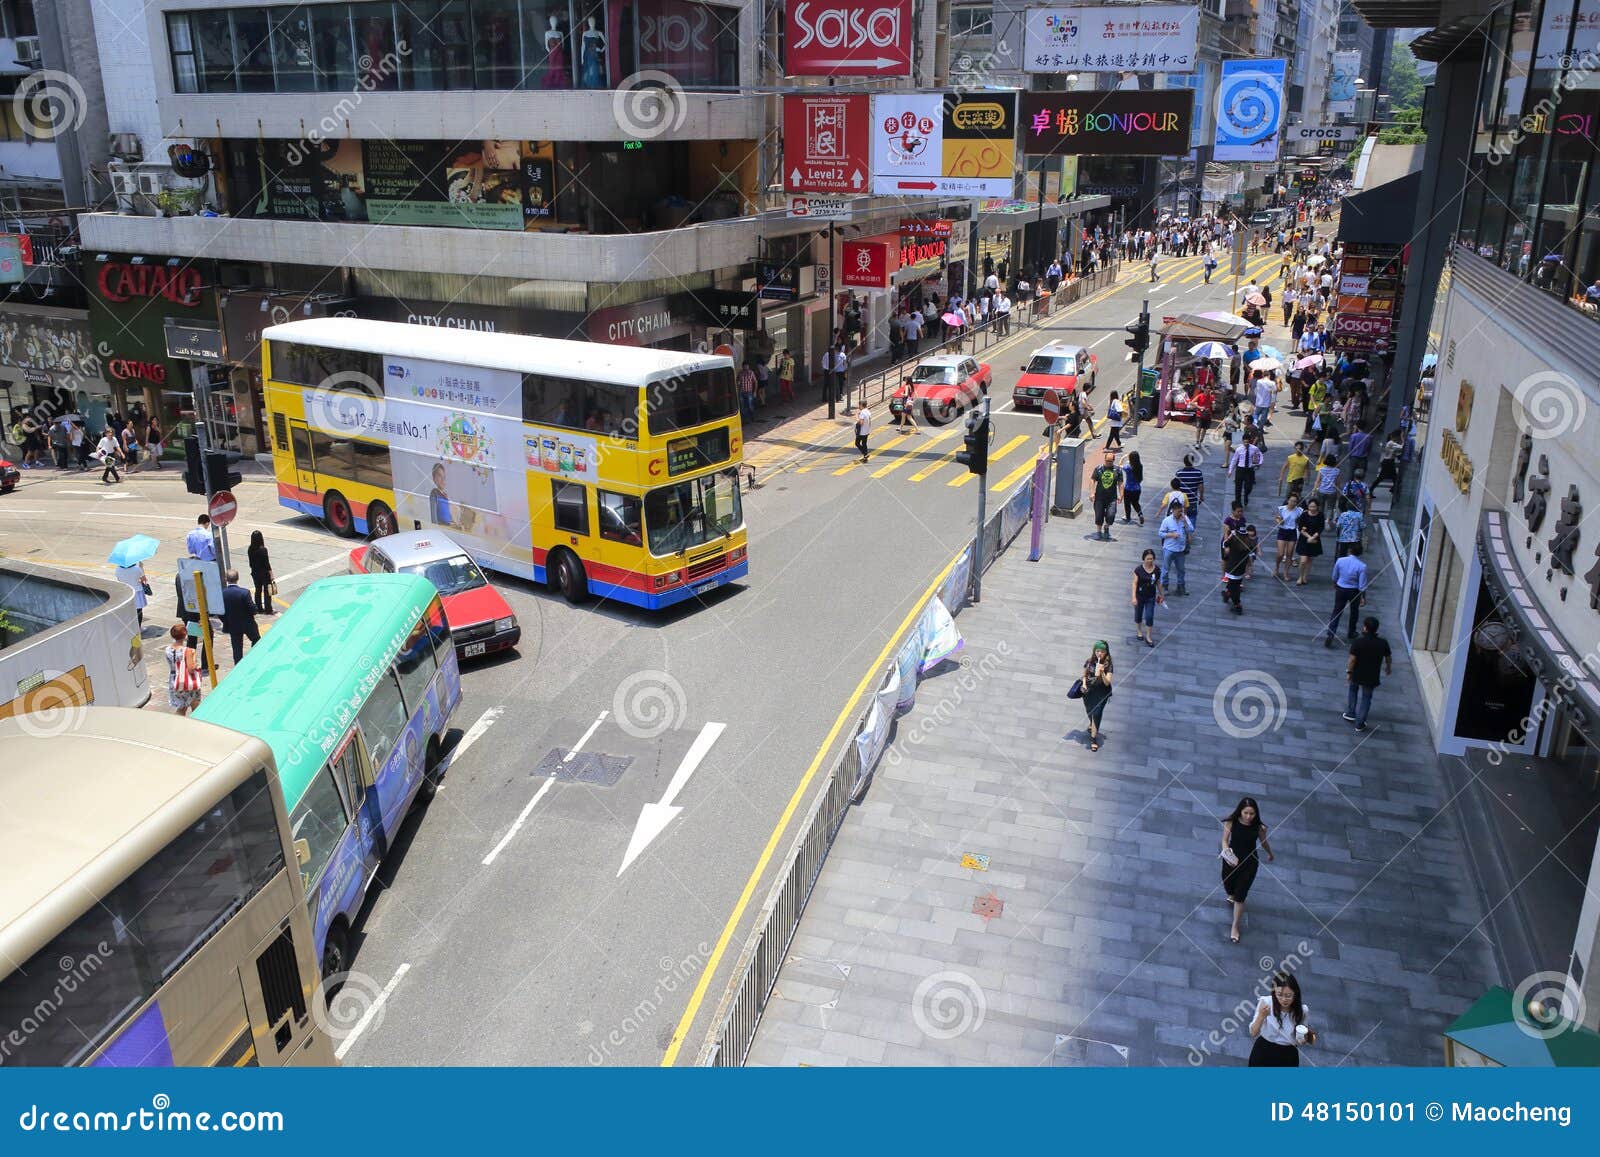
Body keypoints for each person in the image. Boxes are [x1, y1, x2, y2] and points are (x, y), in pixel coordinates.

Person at [1221, 797, 1274, 944]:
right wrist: (1228, 855)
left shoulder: (1258, 828)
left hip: (1249, 863)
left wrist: (1270, 853)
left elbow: (1263, 842)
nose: (1249, 816)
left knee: (1240, 895)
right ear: (1240, 811)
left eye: (1252, 814)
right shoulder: (1231, 821)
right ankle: (1231, 894)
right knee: (1228, 885)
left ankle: (1235, 926)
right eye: (1246, 813)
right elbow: (1224, 841)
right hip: (1231, 861)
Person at [1248, 972, 1313, 1065]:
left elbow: (1301, 1037)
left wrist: (1303, 1039)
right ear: (1274, 992)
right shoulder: (1266, 1002)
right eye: (1279, 994)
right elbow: (1253, 1033)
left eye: (1288, 995)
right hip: (1264, 1050)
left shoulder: (1303, 1010)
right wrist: (1261, 1016)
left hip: (1288, 1054)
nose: (1283, 999)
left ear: (1295, 994)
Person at [1345, 617, 1393, 732]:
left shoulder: (1358, 642)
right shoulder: (1383, 643)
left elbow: (1352, 659)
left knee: (1353, 690)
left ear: (1365, 628)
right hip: (1372, 676)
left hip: (1357, 674)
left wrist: (1349, 672)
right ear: (1376, 629)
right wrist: (1388, 668)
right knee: (1366, 698)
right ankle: (1360, 723)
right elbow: (1388, 657)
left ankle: (1351, 713)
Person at [1325, 542, 1368, 646]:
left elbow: (1334, 576)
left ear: (1350, 550)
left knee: (1337, 611)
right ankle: (1351, 632)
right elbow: (1362, 585)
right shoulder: (1362, 566)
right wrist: (1363, 597)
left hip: (1341, 589)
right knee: (1354, 612)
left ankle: (1331, 633)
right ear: (1360, 553)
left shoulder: (1340, 561)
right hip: (1354, 591)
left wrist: (1335, 584)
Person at [1077, 640, 1113, 752]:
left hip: (1102, 693)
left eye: (1102, 651)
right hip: (1089, 692)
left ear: (1106, 652)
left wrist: (1102, 672)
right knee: (1089, 711)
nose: (1100, 653)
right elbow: (1084, 675)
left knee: (1096, 714)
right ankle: (1092, 724)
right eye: (1098, 651)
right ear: (1094, 651)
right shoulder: (1089, 662)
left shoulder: (1109, 665)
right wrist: (1083, 685)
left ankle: (1093, 739)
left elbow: (1107, 682)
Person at [220, 569, 260, 665]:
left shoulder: (222, 593)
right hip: (247, 623)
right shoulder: (244, 592)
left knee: (237, 648)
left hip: (232, 625)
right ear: (237, 578)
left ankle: (238, 666)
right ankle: (254, 658)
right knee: (256, 639)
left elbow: (220, 612)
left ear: (226, 579)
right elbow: (252, 609)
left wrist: (226, 621)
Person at [164, 621, 204, 716]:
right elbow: (191, 668)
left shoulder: (168, 649)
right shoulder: (187, 651)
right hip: (187, 681)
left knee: (181, 707)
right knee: (195, 705)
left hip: (175, 680)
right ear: (185, 634)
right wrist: (195, 661)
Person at [1158, 498, 1193, 595]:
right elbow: (1160, 533)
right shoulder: (1167, 521)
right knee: (1165, 569)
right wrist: (1171, 535)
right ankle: (1164, 587)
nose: (1180, 513)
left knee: (1181, 570)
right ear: (1173, 510)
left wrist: (1185, 522)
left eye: (1181, 511)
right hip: (1169, 549)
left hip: (1180, 550)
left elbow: (1191, 530)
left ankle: (1181, 587)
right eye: (1178, 511)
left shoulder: (1184, 518)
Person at [1131, 549, 1163, 648]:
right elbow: (1135, 583)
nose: (1150, 560)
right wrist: (1133, 597)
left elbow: (1158, 582)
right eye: (1148, 559)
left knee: (1149, 616)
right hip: (1140, 596)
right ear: (1143, 559)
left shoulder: (1157, 570)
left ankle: (1148, 636)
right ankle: (1139, 631)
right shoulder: (1138, 570)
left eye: (1151, 559)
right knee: (1138, 615)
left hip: (1150, 596)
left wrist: (1162, 594)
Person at [1221, 521, 1255, 614]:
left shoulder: (1234, 539)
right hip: (1241, 569)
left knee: (1233, 587)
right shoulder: (1249, 541)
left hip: (1232, 567)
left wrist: (1230, 536)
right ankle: (1227, 595)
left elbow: (1225, 544)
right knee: (1236, 585)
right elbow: (1251, 554)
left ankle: (1237, 604)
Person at [1090, 450, 1121, 540]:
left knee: (1111, 515)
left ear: (1113, 461)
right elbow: (1092, 480)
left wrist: (1121, 495)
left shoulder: (1118, 470)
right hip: (1099, 497)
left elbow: (1120, 483)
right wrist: (1092, 493)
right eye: (1107, 461)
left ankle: (1107, 527)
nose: (1108, 463)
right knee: (1099, 515)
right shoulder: (1099, 468)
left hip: (1112, 498)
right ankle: (1099, 532)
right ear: (1104, 459)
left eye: (1110, 461)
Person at [1294, 497, 1325, 586]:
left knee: (1309, 560)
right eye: (1310, 506)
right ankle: (1300, 576)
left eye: (1314, 507)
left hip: (1315, 538)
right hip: (1304, 539)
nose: (1312, 508)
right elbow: (1300, 528)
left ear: (1317, 507)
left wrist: (1313, 537)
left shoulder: (1320, 515)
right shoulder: (1304, 515)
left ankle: (1305, 576)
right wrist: (1308, 537)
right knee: (1303, 560)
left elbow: (1321, 528)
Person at [1272, 493, 1303, 579]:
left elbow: (1302, 519)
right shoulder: (1282, 509)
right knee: (1280, 554)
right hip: (1282, 531)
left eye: (1295, 501)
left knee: (1289, 554)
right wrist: (1279, 521)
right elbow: (1277, 517)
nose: (1293, 503)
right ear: (1288, 500)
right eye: (1291, 501)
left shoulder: (1299, 510)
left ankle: (1286, 572)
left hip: (1292, 532)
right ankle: (1276, 567)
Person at [1228, 434, 1263, 508]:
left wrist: (1259, 463)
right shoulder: (1239, 449)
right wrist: (1230, 470)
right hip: (1240, 469)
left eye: (1247, 442)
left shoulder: (1254, 448)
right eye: (1245, 442)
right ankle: (1238, 503)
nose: (1246, 444)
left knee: (1249, 487)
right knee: (1238, 487)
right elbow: (1234, 460)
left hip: (1249, 470)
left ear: (1249, 441)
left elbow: (1260, 455)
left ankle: (1246, 495)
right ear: (1242, 441)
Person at [247, 529, 275, 614]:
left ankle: (259, 608)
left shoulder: (250, 549)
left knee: (258, 590)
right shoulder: (263, 550)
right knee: (267, 592)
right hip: (264, 573)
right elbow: (267, 564)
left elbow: (250, 563)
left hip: (255, 573)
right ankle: (268, 609)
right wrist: (271, 574)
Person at [115, 561, 150, 627]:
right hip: (137, 593)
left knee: (128, 612)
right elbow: (144, 580)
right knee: (138, 611)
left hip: (125, 592)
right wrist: (141, 568)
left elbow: (119, 579)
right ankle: (138, 628)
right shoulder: (137, 569)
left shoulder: (118, 569)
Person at [428, 462, 456, 527]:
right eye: (440, 476)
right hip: (441, 526)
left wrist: (453, 523)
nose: (443, 479)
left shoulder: (445, 495)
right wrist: (435, 527)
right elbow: (433, 516)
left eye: (444, 476)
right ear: (434, 479)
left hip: (448, 527)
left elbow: (448, 513)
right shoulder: (434, 493)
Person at [1121, 450, 1144, 525]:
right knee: (1135, 503)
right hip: (1137, 488)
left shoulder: (1128, 467)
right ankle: (1140, 513)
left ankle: (1128, 517)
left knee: (1127, 503)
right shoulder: (1140, 466)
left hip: (1128, 489)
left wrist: (1122, 458)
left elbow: (1120, 465)